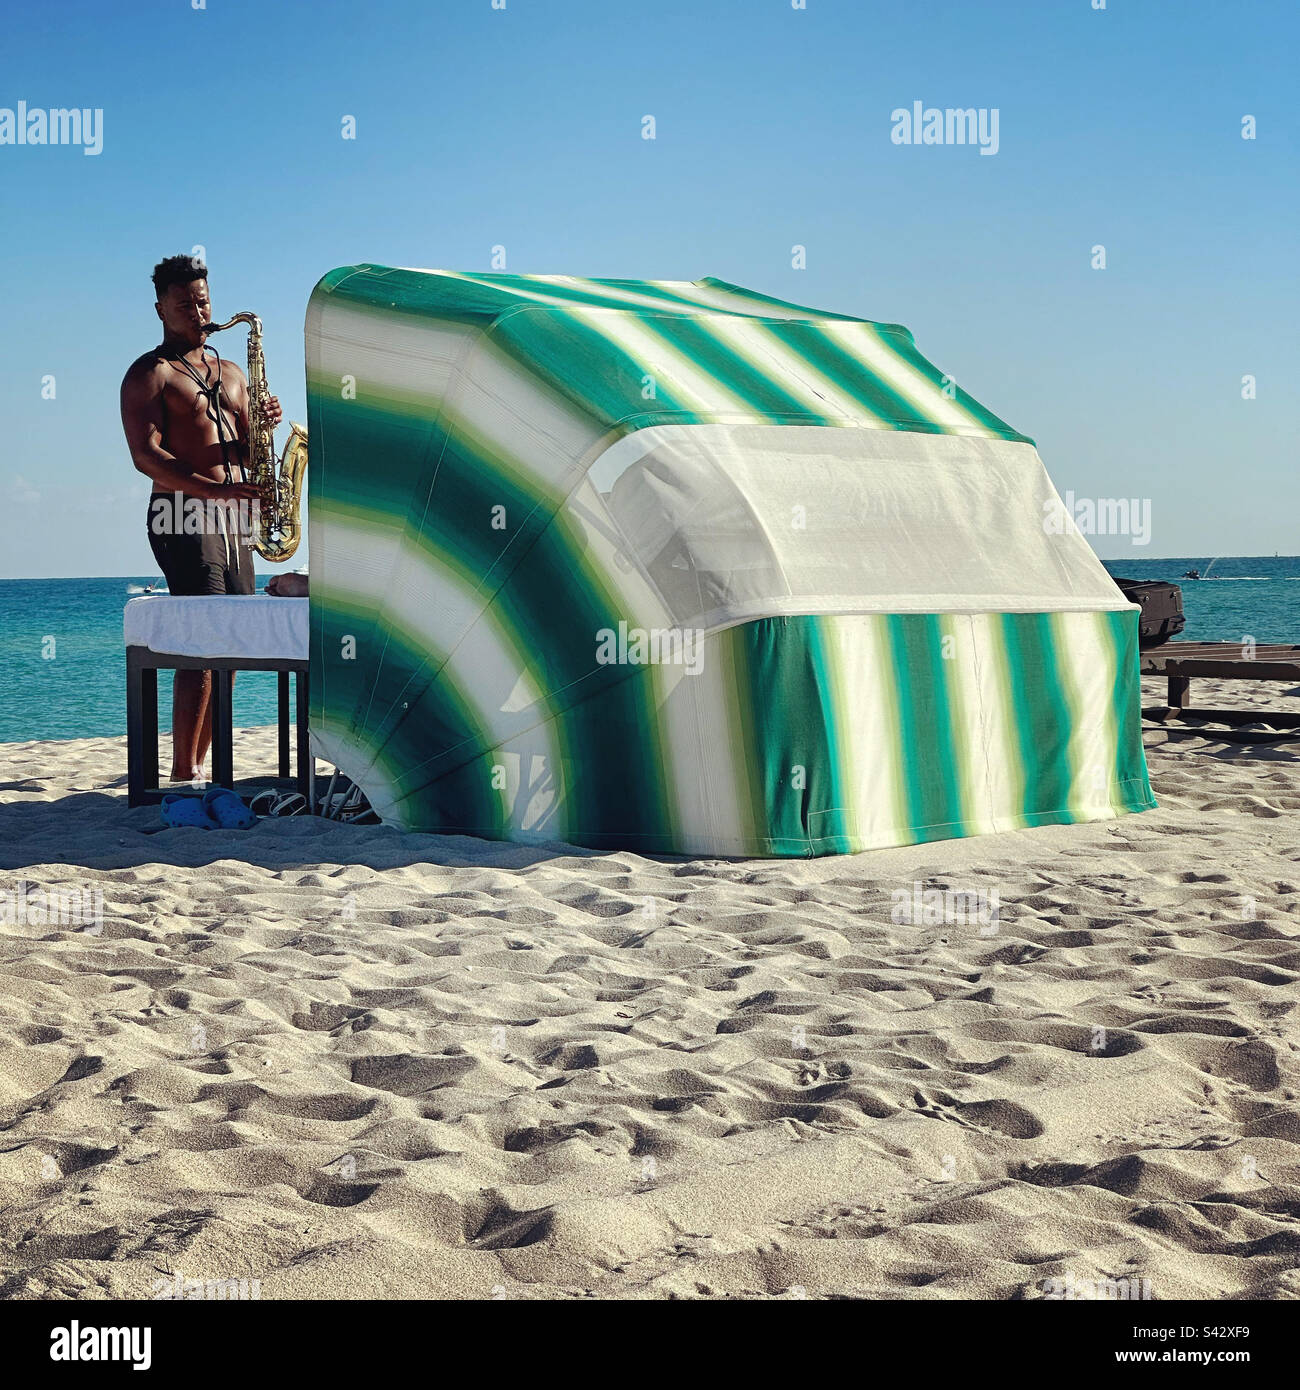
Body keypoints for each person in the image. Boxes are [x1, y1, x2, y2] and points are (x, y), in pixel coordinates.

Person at [120, 255, 283, 782]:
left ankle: (205, 771)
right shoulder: (150, 373)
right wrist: (214, 490)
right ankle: (184, 774)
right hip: (182, 513)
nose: (198, 310)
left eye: (203, 300)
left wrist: (264, 424)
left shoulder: (232, 372)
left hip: (235, 516)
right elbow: (146, 455)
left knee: (233, 642)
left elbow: (249, 447)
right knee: (205, 638)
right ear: (160, 308)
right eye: (185, 302)